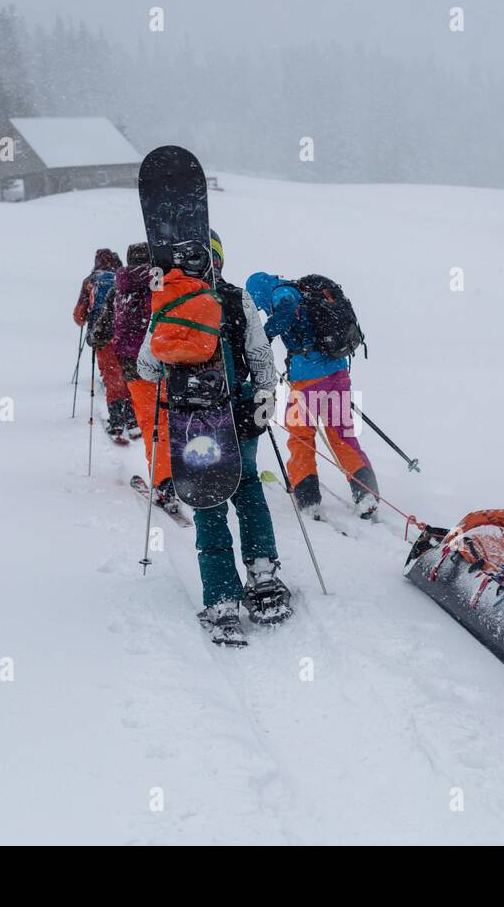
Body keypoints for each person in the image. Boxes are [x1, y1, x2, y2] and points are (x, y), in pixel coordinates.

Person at [137, 231, 292, 643]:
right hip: (239, 412)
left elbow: (147, 369)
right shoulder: (237, 298)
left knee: (207, 501)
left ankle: (222, 600)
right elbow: (260, 354)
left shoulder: (169, 302)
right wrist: (264, 396)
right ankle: (263, 579)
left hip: (193, 421)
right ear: (219, 259)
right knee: (248, 492)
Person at [244, 271, 379, 519]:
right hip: (338, 372)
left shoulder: (281, 293)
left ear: (258, 291)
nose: (260, 306)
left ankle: (307, 498)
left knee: (300, 435)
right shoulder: (302, 290)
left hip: (309, 377)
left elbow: (285, 310)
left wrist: (260, 337)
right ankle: (367, 494)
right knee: (342, 433)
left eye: (256, 300)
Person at [96, 242, 175, 505]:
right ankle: (177, 475)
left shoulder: (118, 290)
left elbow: (101, 330)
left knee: (151, 423)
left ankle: (163, 481)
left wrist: (97, 339)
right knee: (169, 420)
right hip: (163, 359)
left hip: (132, 366)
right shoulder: (159, 280)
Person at [73, 248, 137, 439]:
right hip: (127, 334)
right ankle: (134, 419)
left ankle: (117, 422)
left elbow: (79, 317)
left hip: (102, 336)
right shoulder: (124, 278)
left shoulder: (91, 281)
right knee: (129, 373)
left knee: (112, 375)